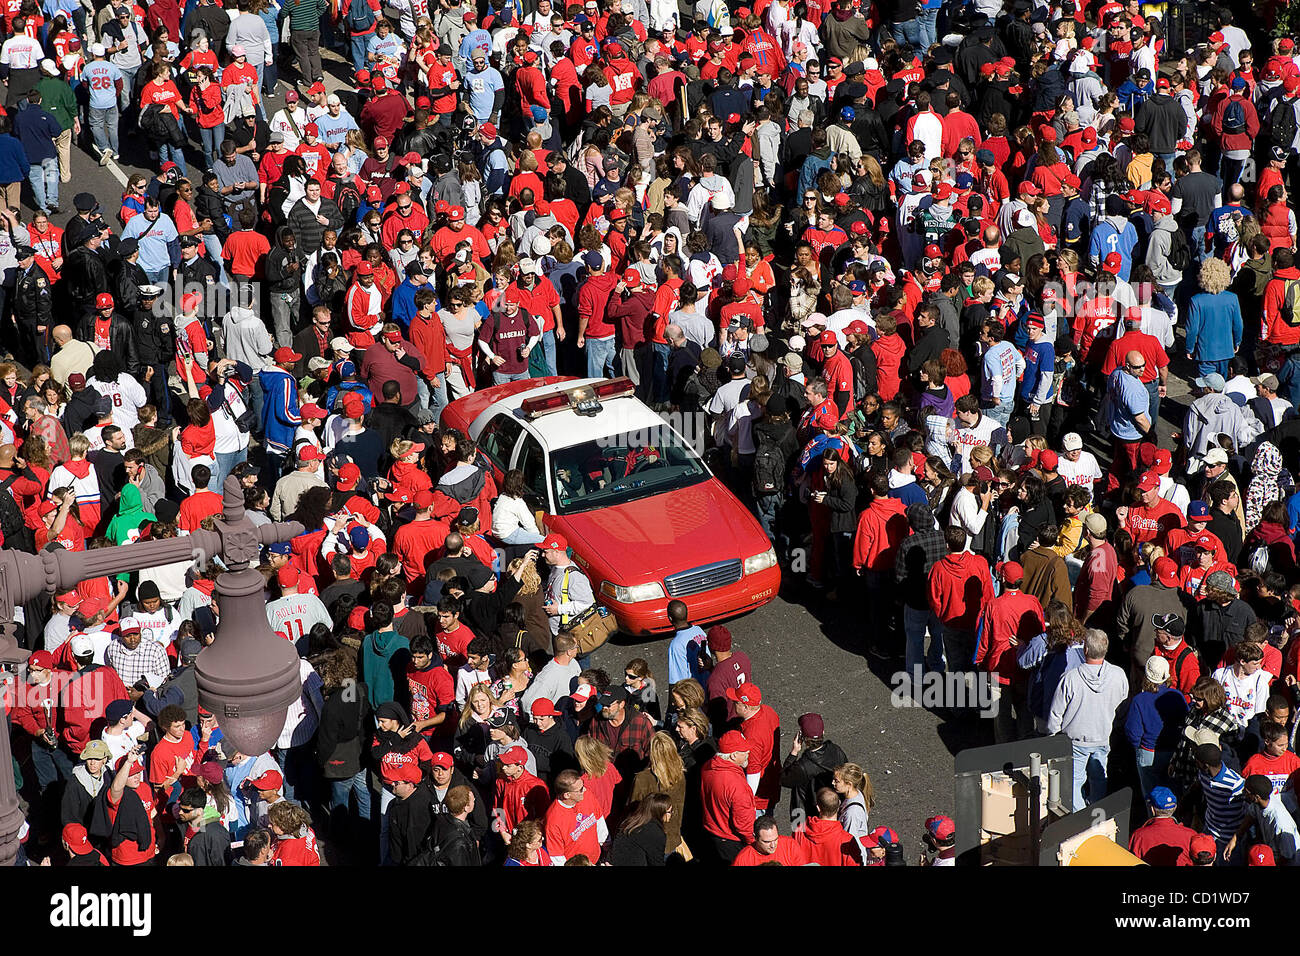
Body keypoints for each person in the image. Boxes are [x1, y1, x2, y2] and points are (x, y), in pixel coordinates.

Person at [1047, 629, 1129, 809]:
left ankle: (1079, 817)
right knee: (1099, 779)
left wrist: (1053, 736)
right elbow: (1123, 706)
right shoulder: (1119, 675)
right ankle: (1096, 816)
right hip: (1103, 738)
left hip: (1075, 742)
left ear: (1085, 650)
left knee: (1074, 784)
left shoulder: (1070, 679)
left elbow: (1055, 714)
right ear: (1106, 649)